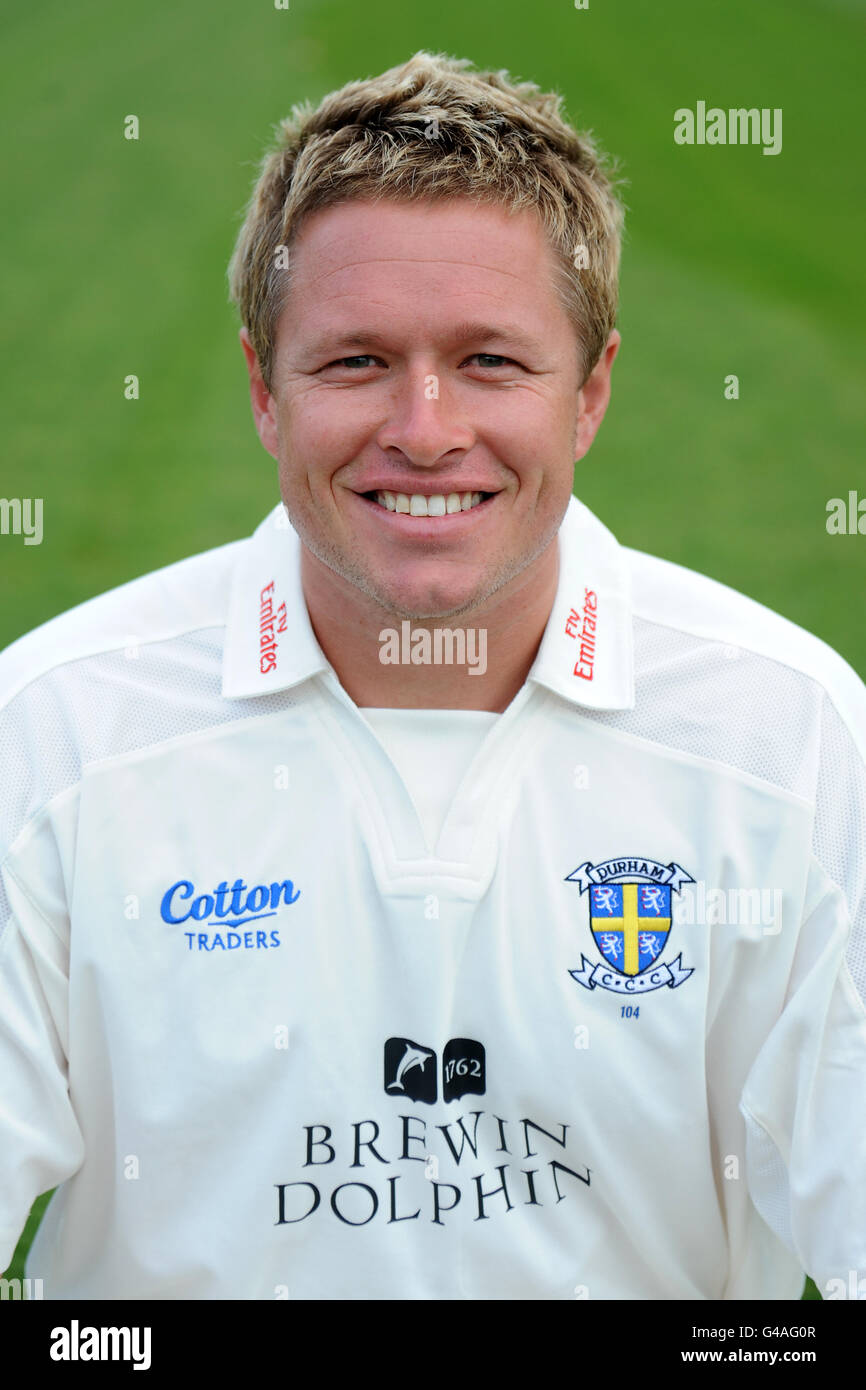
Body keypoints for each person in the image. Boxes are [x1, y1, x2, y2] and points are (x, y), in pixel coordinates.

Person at [1, 50, 864, 1302]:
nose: (422, 428)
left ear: (590, 393)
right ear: (262, 390)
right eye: (354, 362)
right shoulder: (53, 736)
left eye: (490, 363)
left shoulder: (792, 740)